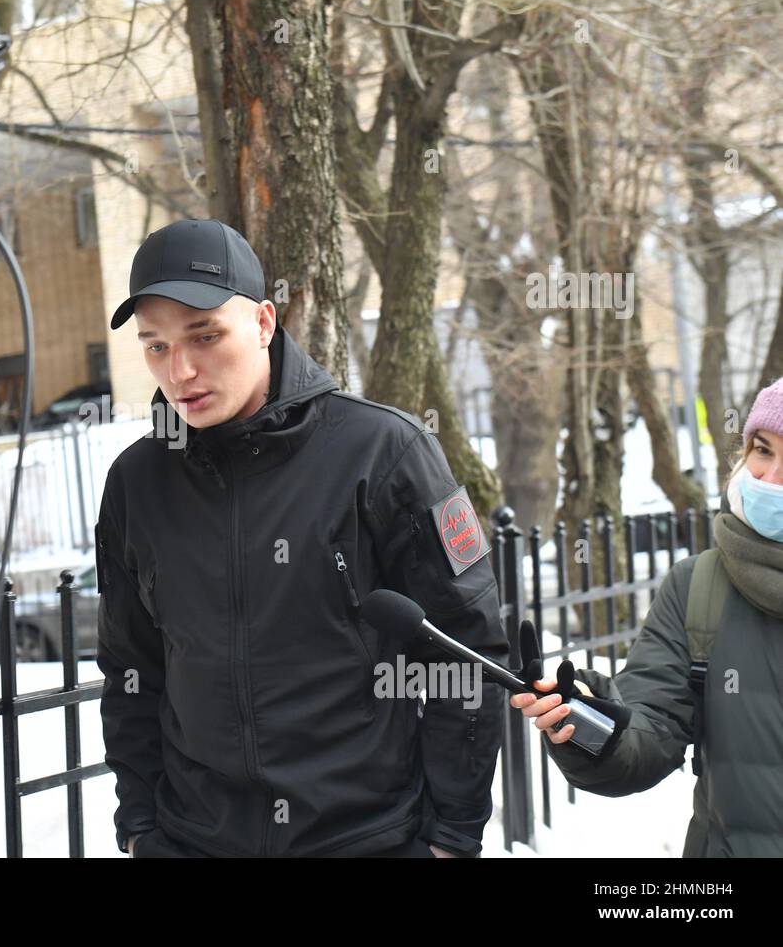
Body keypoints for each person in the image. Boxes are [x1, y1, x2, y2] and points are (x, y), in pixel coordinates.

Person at [95, 218, 508, 857]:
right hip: (192, 840)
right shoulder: (136, 483)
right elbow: (131, 670)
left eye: (205, 335)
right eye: (156, 346)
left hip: (365, 840)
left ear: (263, 323)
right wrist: (141, 828)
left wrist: (451, 836)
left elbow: (467, 649)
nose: (180, 370)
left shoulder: (383, 452)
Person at [512, 377, 783, 857]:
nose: (770, 477)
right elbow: (650, 728)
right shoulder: (698, 585)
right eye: (763, 450)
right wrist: (593, 724)